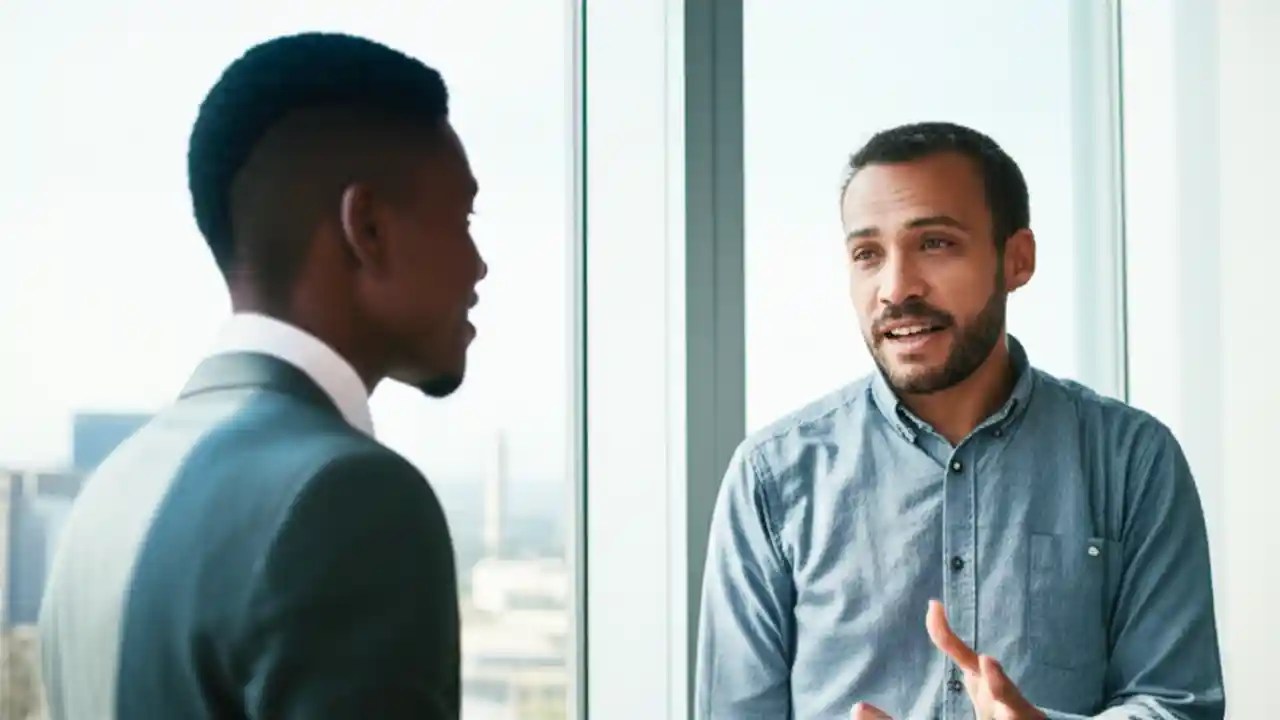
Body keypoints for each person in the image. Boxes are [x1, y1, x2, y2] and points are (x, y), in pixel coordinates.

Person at [694, 122, 1224, 719]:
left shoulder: (1133, 460)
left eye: (935, 244)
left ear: (1016, 259)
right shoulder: (771, 477)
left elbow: (1178, 703)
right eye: (868, 254)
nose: (895, 289)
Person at [38, 32, 485, 719]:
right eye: (462, 219)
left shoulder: (110, 493)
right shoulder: (348, 497)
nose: (478, 265)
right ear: (366, 227)